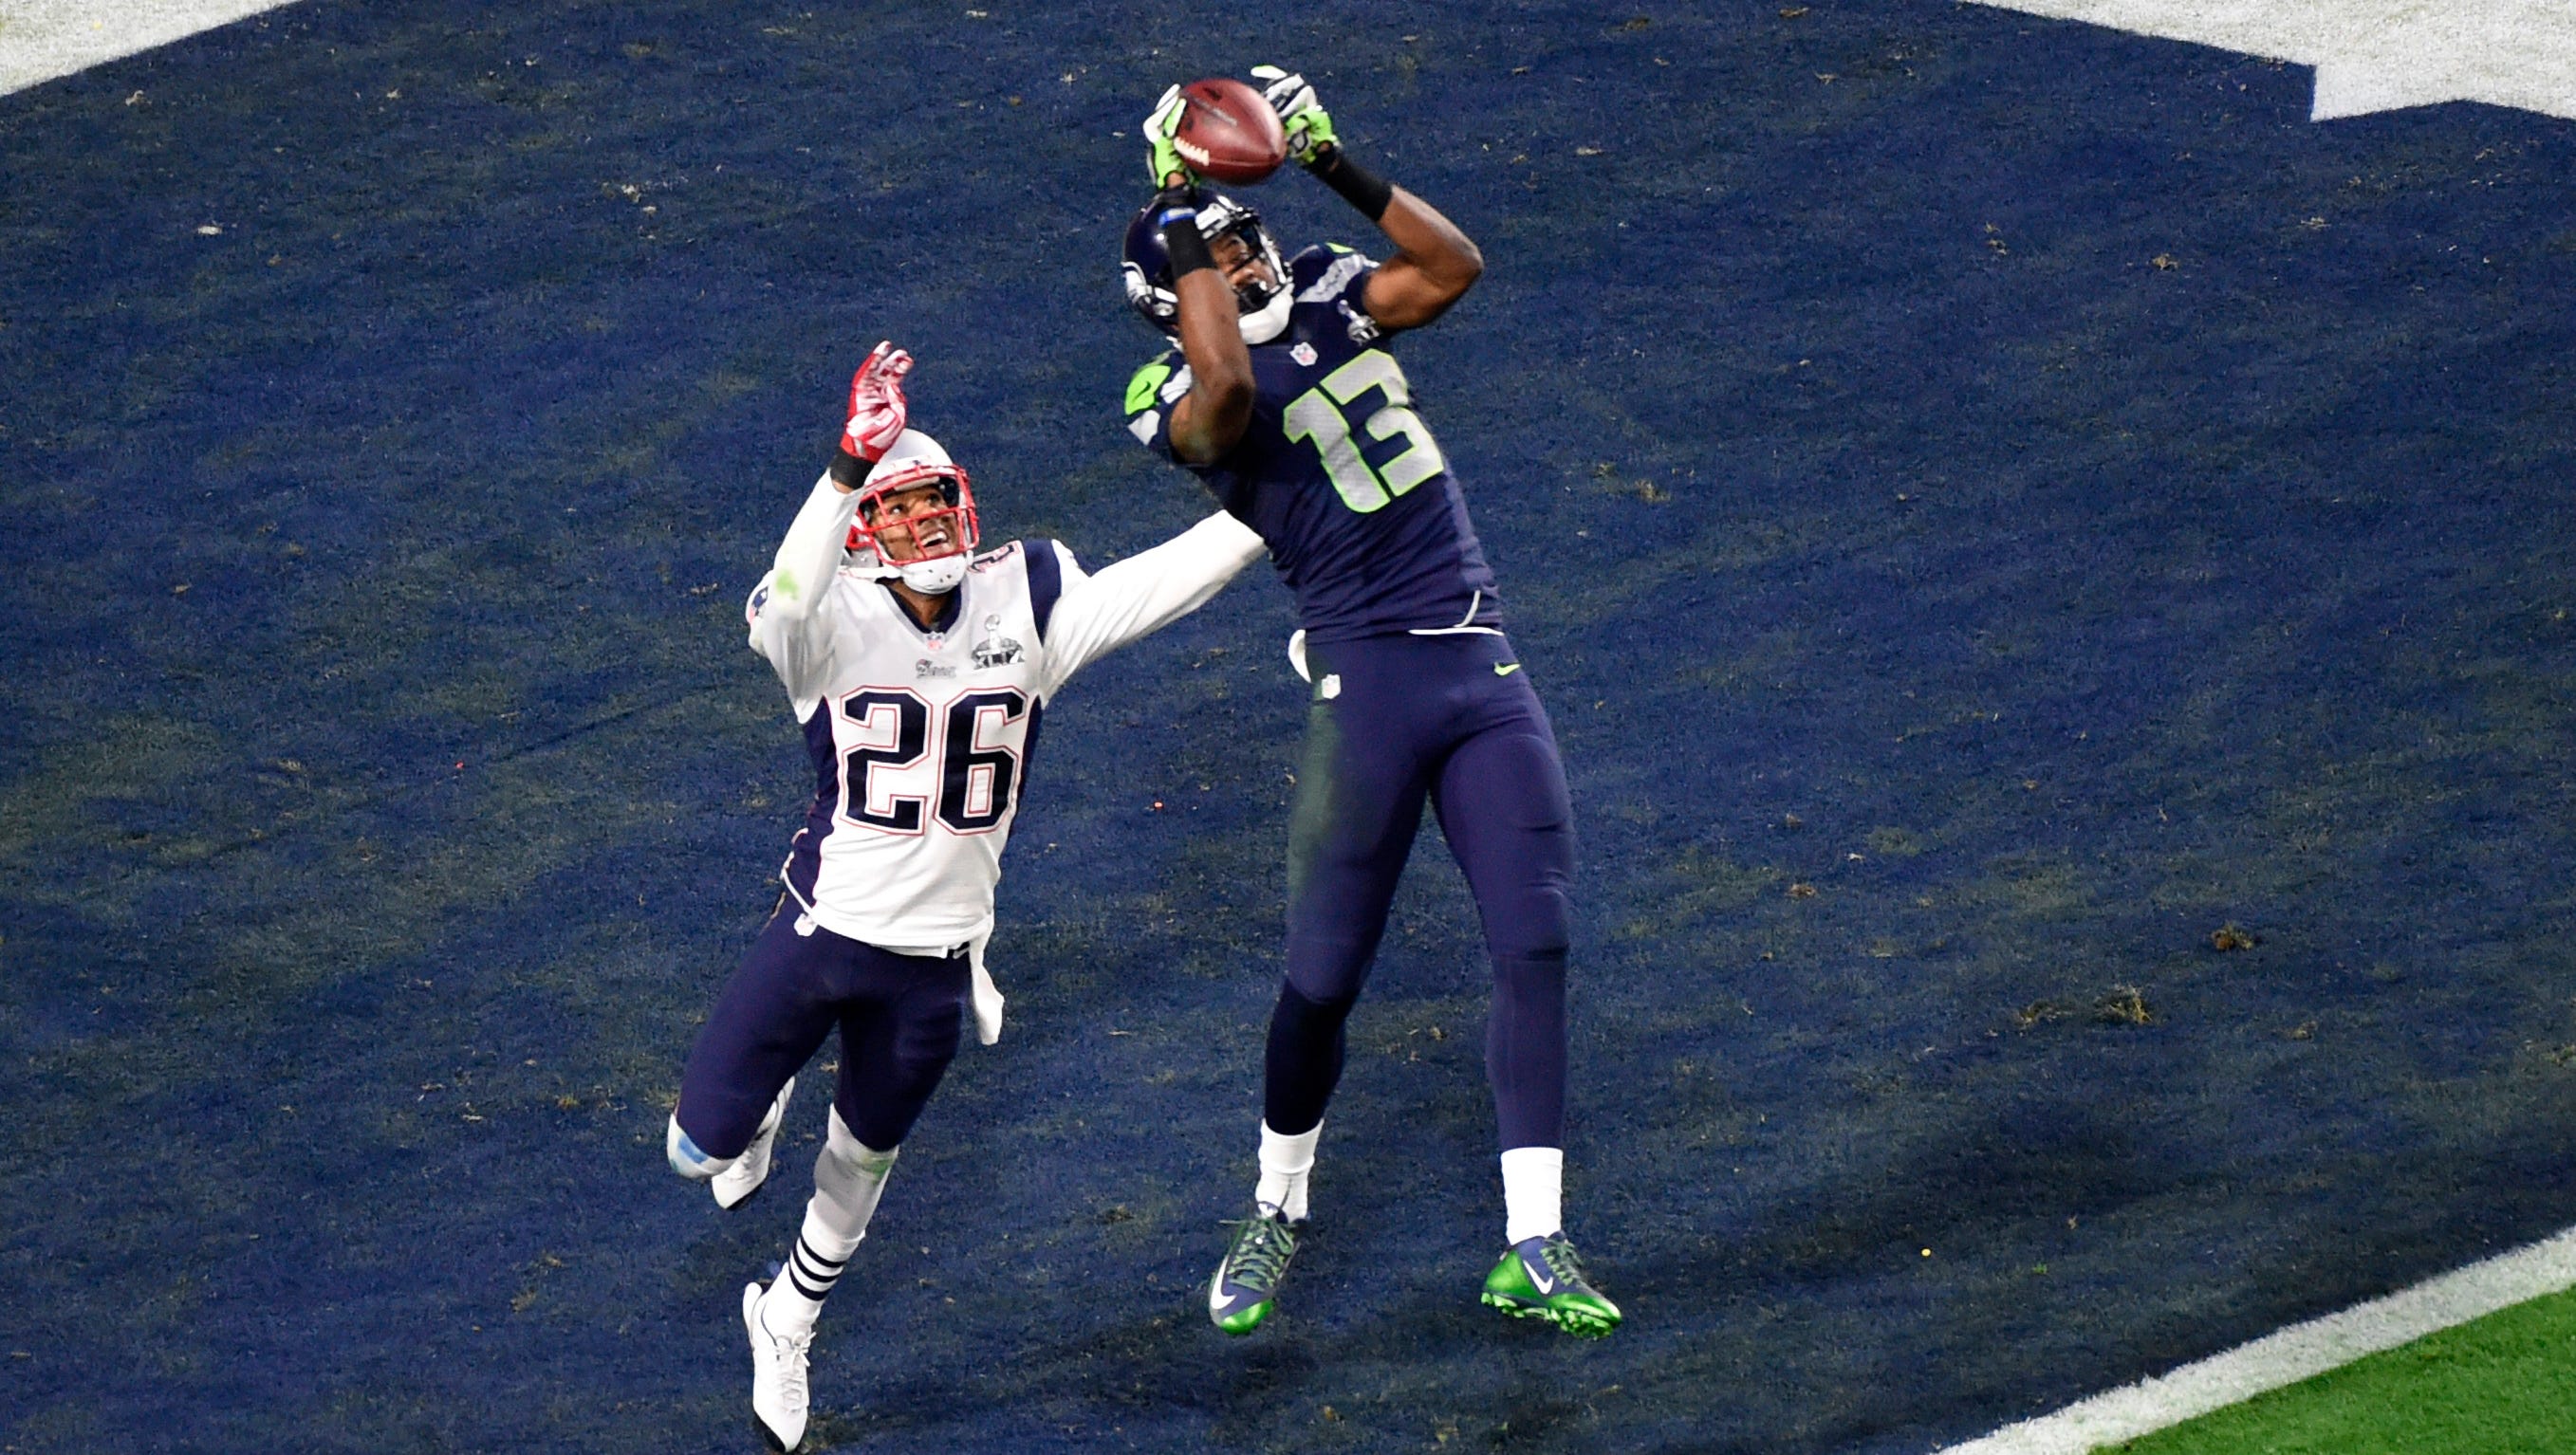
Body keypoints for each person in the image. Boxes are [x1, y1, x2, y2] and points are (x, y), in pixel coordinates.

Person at [666, 342, 1269, 1449]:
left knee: (865, 1161)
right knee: (696, 1152)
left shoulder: (1023, 601)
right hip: (825, 932)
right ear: (861, 530)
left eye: (933, 499)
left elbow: (1160, 586)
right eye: (894, 507)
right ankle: (761, 1102)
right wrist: (844, 467)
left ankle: (787, 1318)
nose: (923, 523)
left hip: (938, 961)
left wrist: (1279, 500)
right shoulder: (825, 617)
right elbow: (784, 601)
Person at [1119, 70, 1621, 1337]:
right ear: (1170, 297)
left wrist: (1328, 161)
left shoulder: (1333, 289)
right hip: (1368, 681)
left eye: (1244, 237)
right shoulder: (1163, 392)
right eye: (1216, 254)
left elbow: (1450, 268)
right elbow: (1228, 399)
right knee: (1324, 976)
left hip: (1479, 662)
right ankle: (1276, 1204)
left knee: (1537, 942)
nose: (1245, 257)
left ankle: (1534, 1241)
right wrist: (1182, 235)